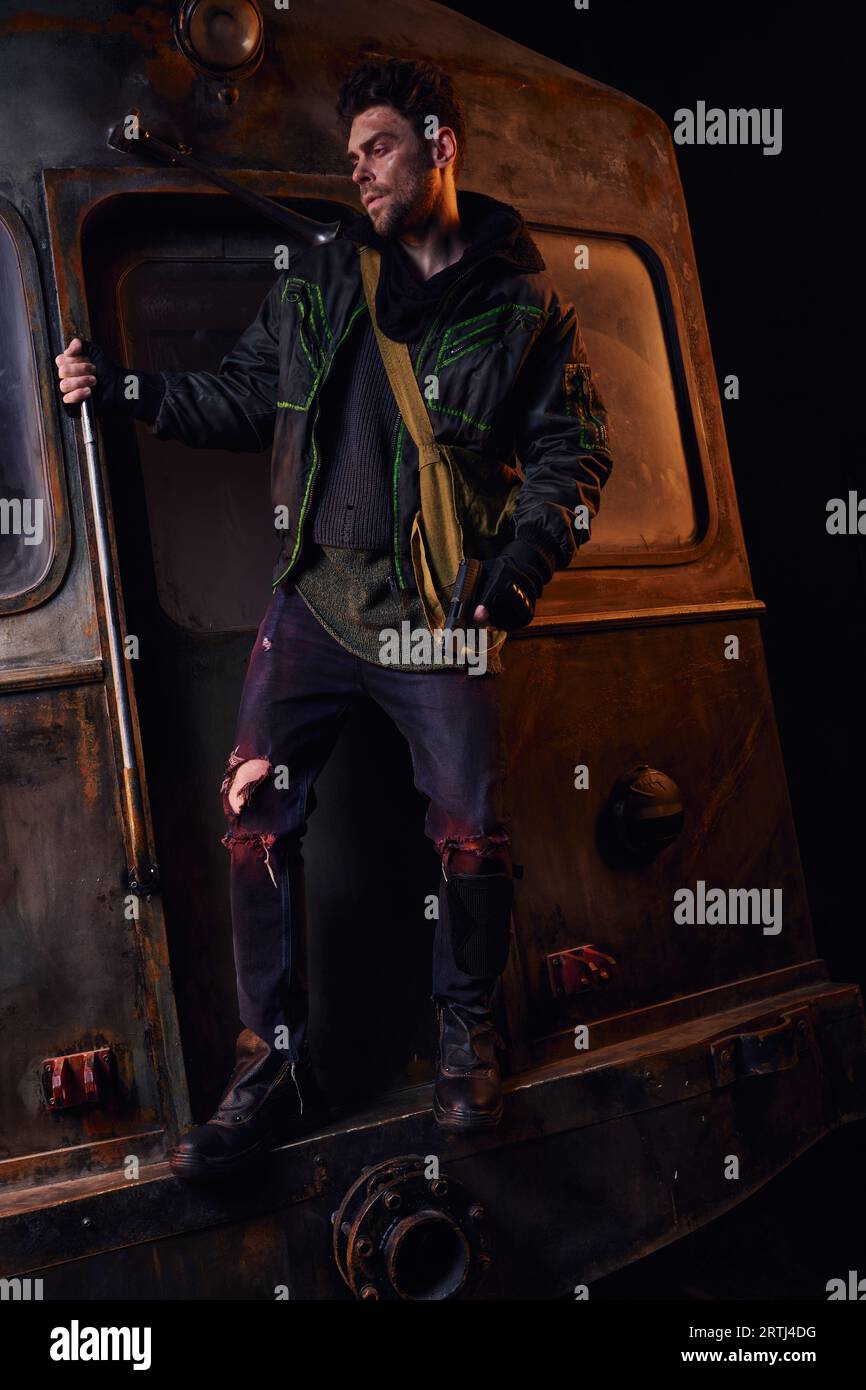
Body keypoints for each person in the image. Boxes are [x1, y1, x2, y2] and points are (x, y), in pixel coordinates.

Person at [56, 57, 613, 1182]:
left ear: (439, 145)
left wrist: (517, 568)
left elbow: (575, 454)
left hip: (435, 614)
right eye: (349, 155)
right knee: (254, 817)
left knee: (468, 827)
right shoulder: (318, 279)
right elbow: (236, 395)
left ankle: (467, 1038)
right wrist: (118, 390)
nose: (356, 170)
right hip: (315, 594)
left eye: (378, 149)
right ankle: (273, 1066)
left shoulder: (523, 305)